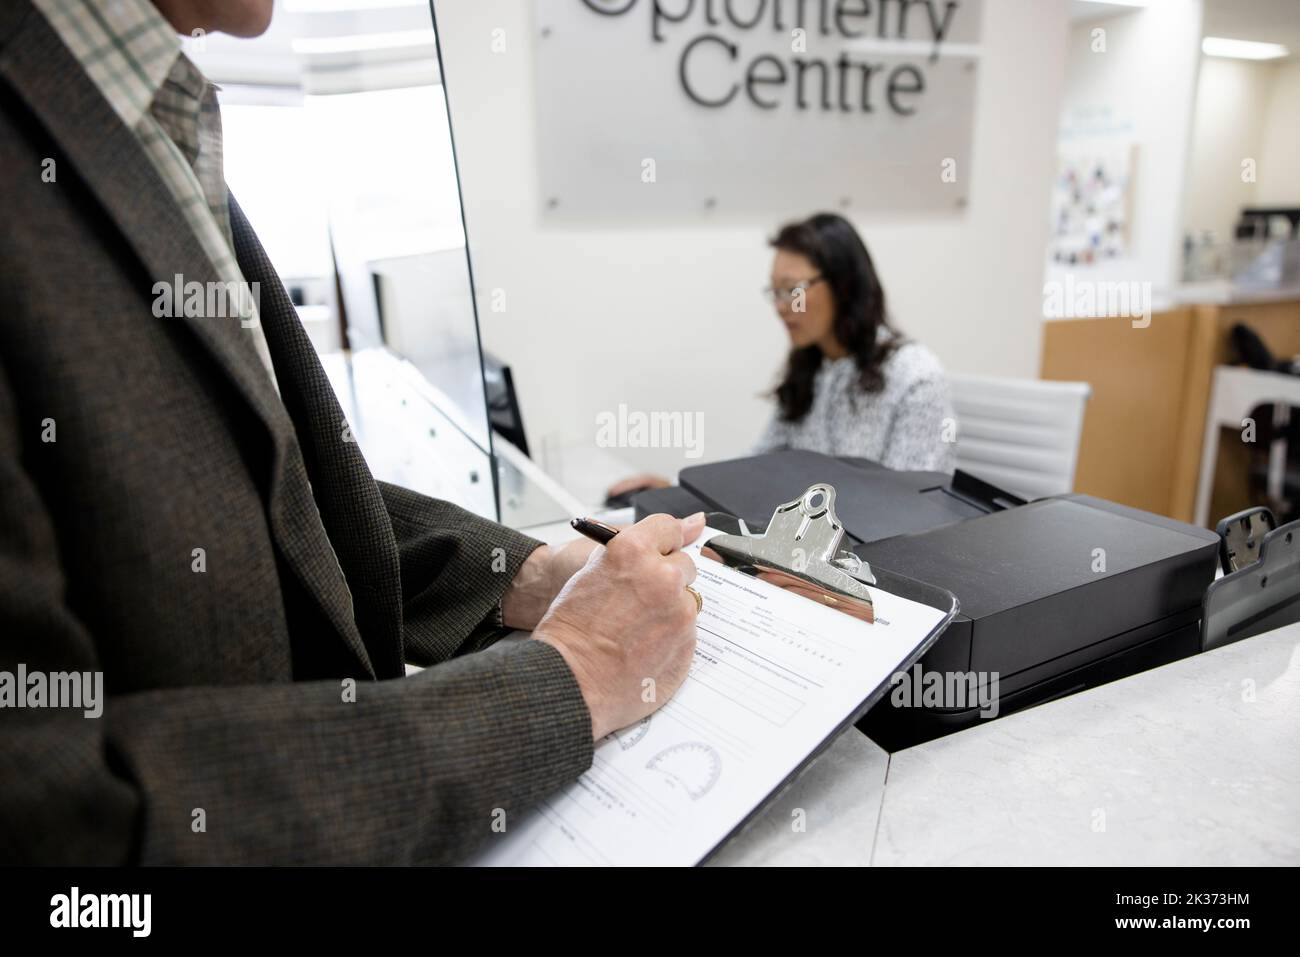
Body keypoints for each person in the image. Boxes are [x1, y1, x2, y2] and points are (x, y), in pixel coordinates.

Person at [0, 0, 701, 865]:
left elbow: (272, 496)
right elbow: (54, 820)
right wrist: (575, 670)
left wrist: (521, 573)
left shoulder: (145, 105)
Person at [607, 212, 955, 501]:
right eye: (775, 291)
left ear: (844, 285)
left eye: (793, 290)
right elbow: (757, 468)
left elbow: (912, 508)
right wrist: (677, 488)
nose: (780, 306)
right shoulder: (813, 367)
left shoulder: (915, 377)